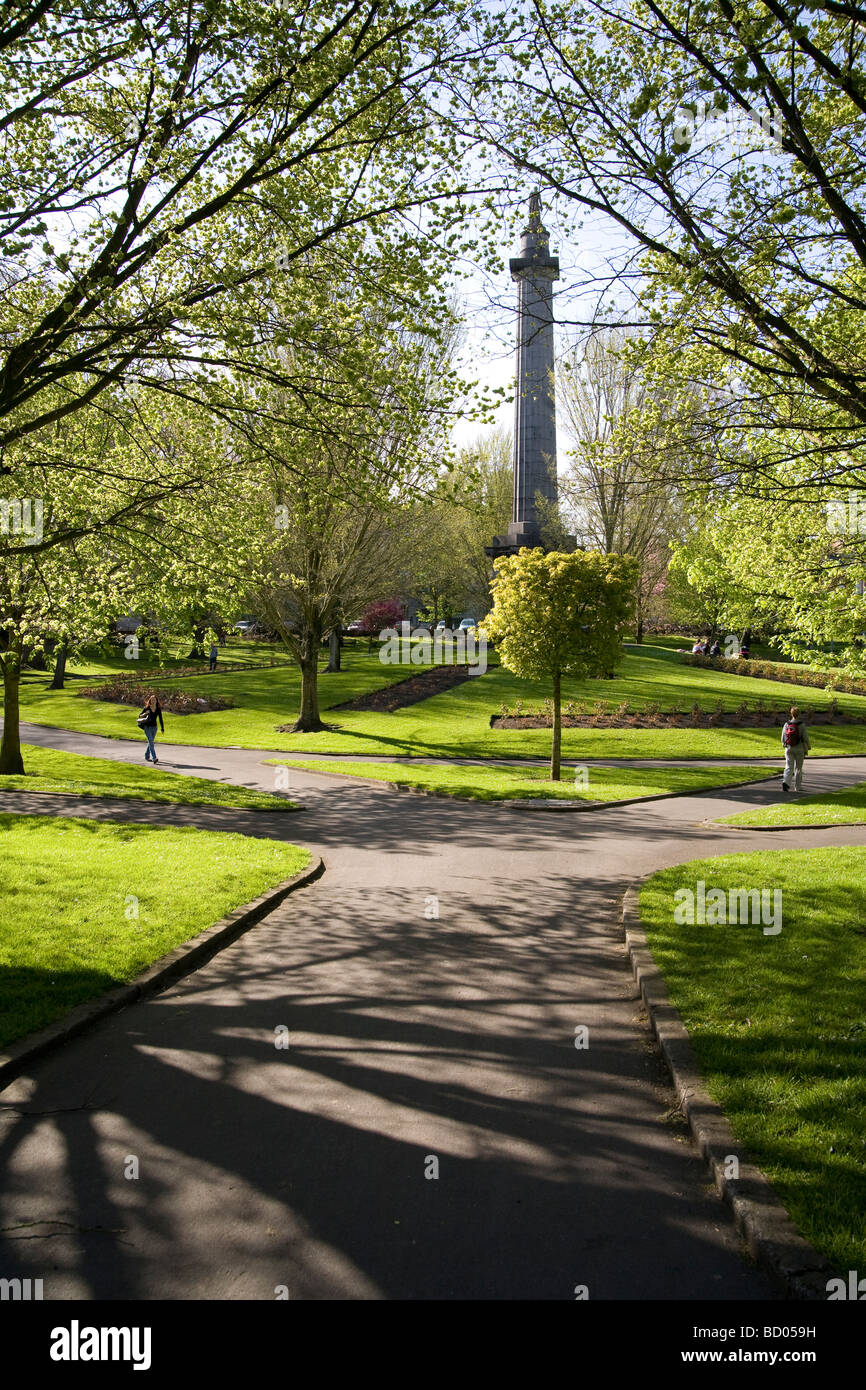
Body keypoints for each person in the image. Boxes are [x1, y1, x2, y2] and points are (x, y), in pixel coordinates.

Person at [781, 704, 810, 792]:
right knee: (798, 768)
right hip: (799, 748)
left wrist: (785, 745)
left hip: (789, 748)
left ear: (791, 713)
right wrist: (808, 747)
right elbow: (805, 738)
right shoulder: (801, 725)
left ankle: (786, 782)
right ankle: (797, 787)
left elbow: (783, 737)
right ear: (799, 714)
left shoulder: (787, 724)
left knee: (789, 766)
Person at [138, 693, 165, 764]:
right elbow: (140, 716)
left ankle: (147, 755)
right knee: (151, 742)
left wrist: (162, 728)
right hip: (147, 727)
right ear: (150, 701)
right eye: (152, 700)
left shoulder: (158, 709)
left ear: (156, 701)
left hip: (154, 727)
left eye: (154, 700)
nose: (153, 701)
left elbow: (160, 719)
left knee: (151, 742)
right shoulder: (147, 708)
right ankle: (154, 758)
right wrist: (145, 713)